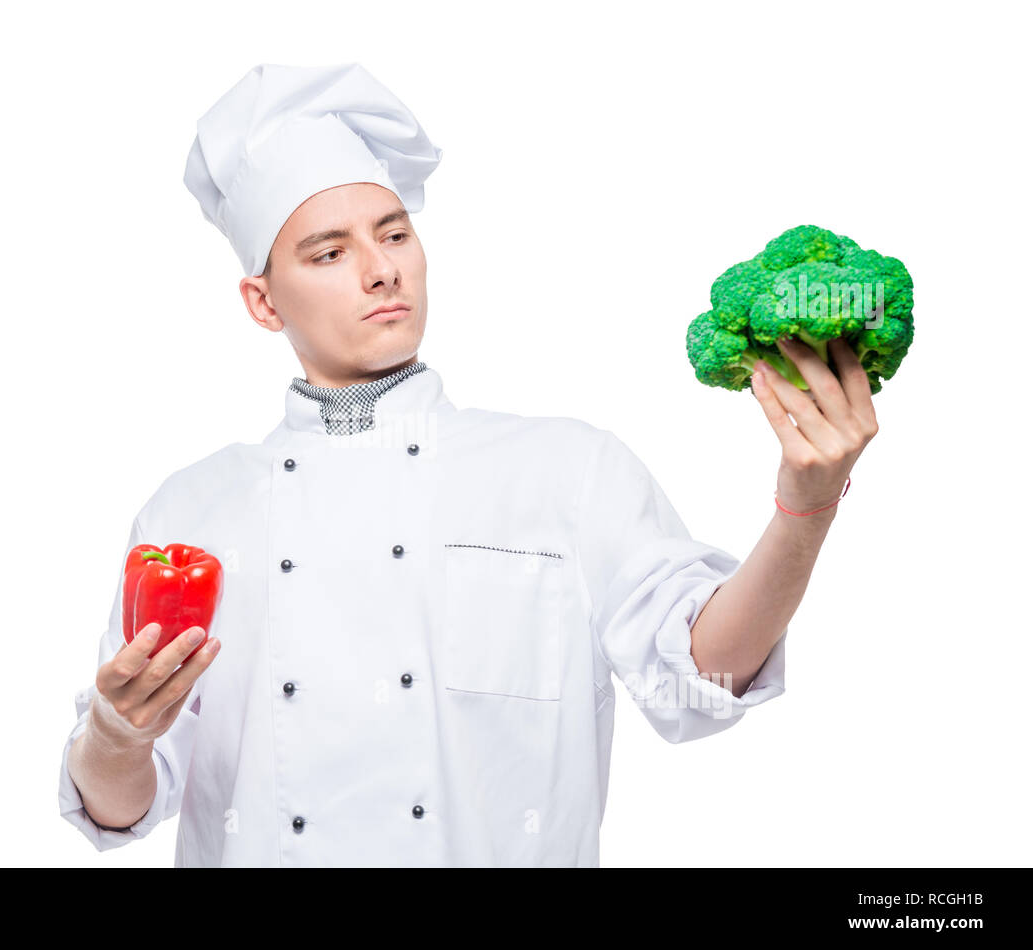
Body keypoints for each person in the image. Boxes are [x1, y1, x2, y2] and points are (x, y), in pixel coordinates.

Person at [58, 62, 876, 866]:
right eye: (328, 252)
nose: (382, 268)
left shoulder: (565, 470)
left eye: (394, 234)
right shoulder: (192, 513)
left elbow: (704, 673)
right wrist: (116, 730)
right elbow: (120, 802)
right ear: (263, 302)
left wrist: (804, 506)